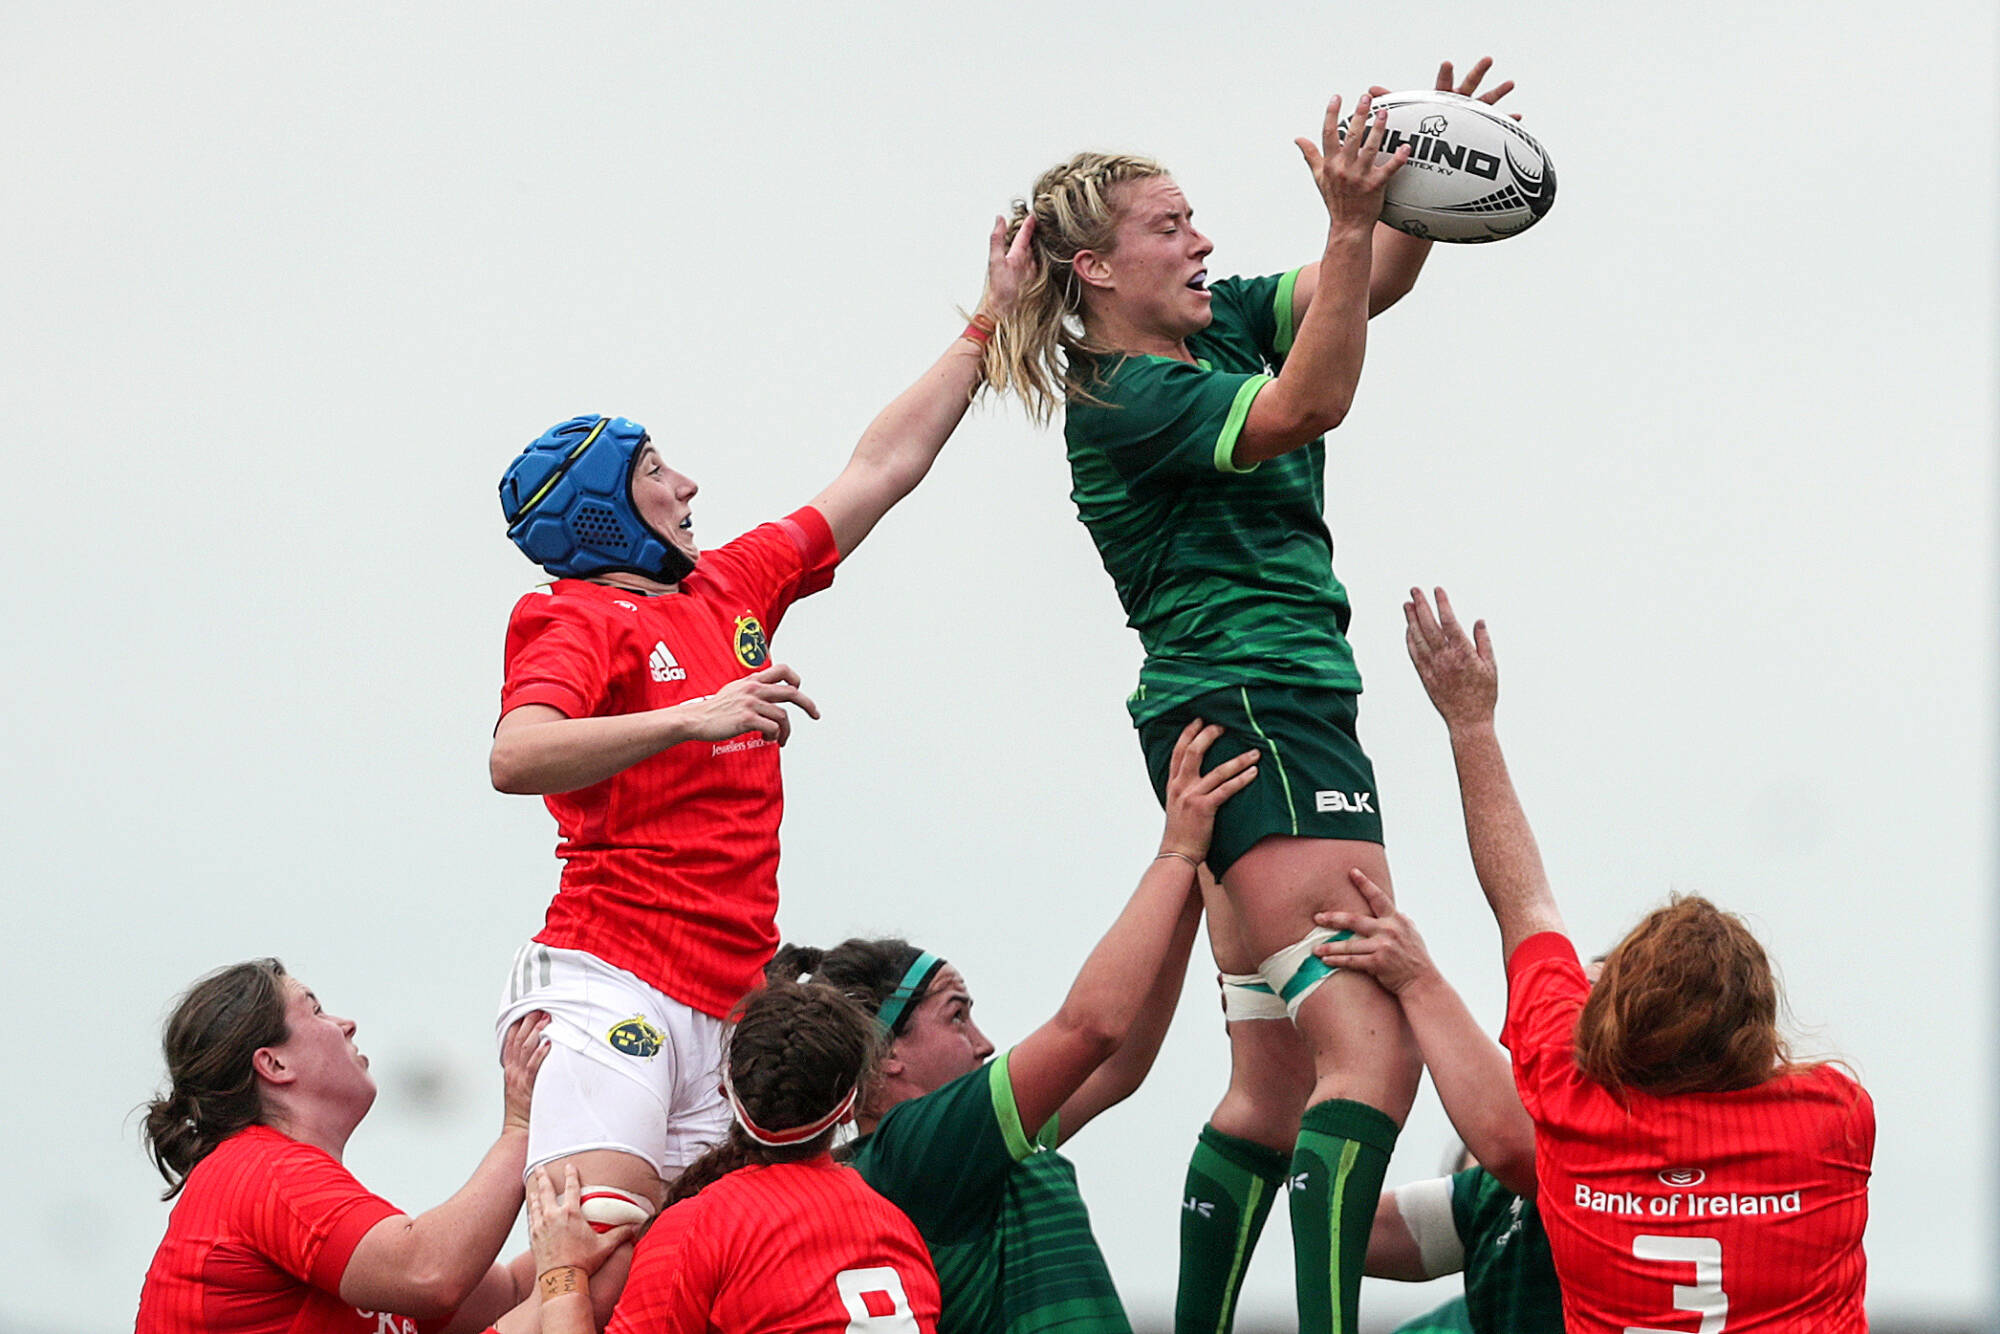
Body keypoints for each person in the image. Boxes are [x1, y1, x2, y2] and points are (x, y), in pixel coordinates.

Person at [981, 59, 1519, 1334]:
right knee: (1373, 1050)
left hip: (1245, 718)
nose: (1202, 238)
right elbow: (1312, 400)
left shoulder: (1210, 320)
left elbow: (1366, 286)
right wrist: (1341, 221)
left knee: (1271, 1084)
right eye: (1167, 227)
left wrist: (1414, 184)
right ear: (1098, 271)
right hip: (1258, 710)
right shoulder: (1123, 397)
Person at [485, 220, 1035, 1243]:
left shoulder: (726, 586)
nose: (687, 482)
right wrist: (691, 715)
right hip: (614, 973)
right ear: (603, 508)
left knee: (697, 1267)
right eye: (655, 468)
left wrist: (989, 321)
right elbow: (515, 753)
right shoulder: (572, 614)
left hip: (733, 1002)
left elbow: (879, 466)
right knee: (592, 1253)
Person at [1344, 587, 1873, 1332]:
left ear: (1613, 1023)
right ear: (1752, 1029)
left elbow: (1524, 905)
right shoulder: (1836, 1118)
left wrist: (1471, 724)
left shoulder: (1571, 1115)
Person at [780, 720, 1257, 1334]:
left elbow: (1116, 1061)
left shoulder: (972, 1147)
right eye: (957, 1015)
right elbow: (1090, 1030)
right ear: (885, 1053)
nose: (984, 1043)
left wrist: (1191, 877)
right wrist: (1177, 851)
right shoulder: (910, 1152)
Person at [134, 959, 630, 1334]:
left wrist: (625, 1211)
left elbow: (517, 1293)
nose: (345, 1023)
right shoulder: (260, 1171)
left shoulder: (284, 1189)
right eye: (316, 1010)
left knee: (589, 1272)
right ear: (274, 1065)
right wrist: (521, 1125)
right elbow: (431, 1273)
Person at [528, 983, 942, 1334]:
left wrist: (561, 1273)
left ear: (726, 1091)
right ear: (851, 1105)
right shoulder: (897, 1227)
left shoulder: (696, 1229)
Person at [1309, 879, 1561, 1334]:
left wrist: (1417, 981)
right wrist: (1310, 1047)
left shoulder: (1610, 1161)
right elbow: (1333, 1224)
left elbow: (1509, 1143)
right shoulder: (1489, 1196)